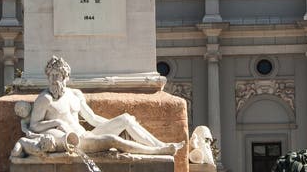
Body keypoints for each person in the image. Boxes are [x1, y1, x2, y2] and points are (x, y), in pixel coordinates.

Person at [10, 55, 182, 158]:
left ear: (66, 77)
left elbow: (92, 119)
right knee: (113, 140)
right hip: (74, 142)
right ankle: (154, 153)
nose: (54, 80)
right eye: (51, 76)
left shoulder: (75, 94)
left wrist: (114, 124)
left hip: (87, 134)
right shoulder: (45, 99)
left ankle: (160, 146)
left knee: (126, 119)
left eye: (58, 76)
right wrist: (55, 124)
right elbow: (34, 126)